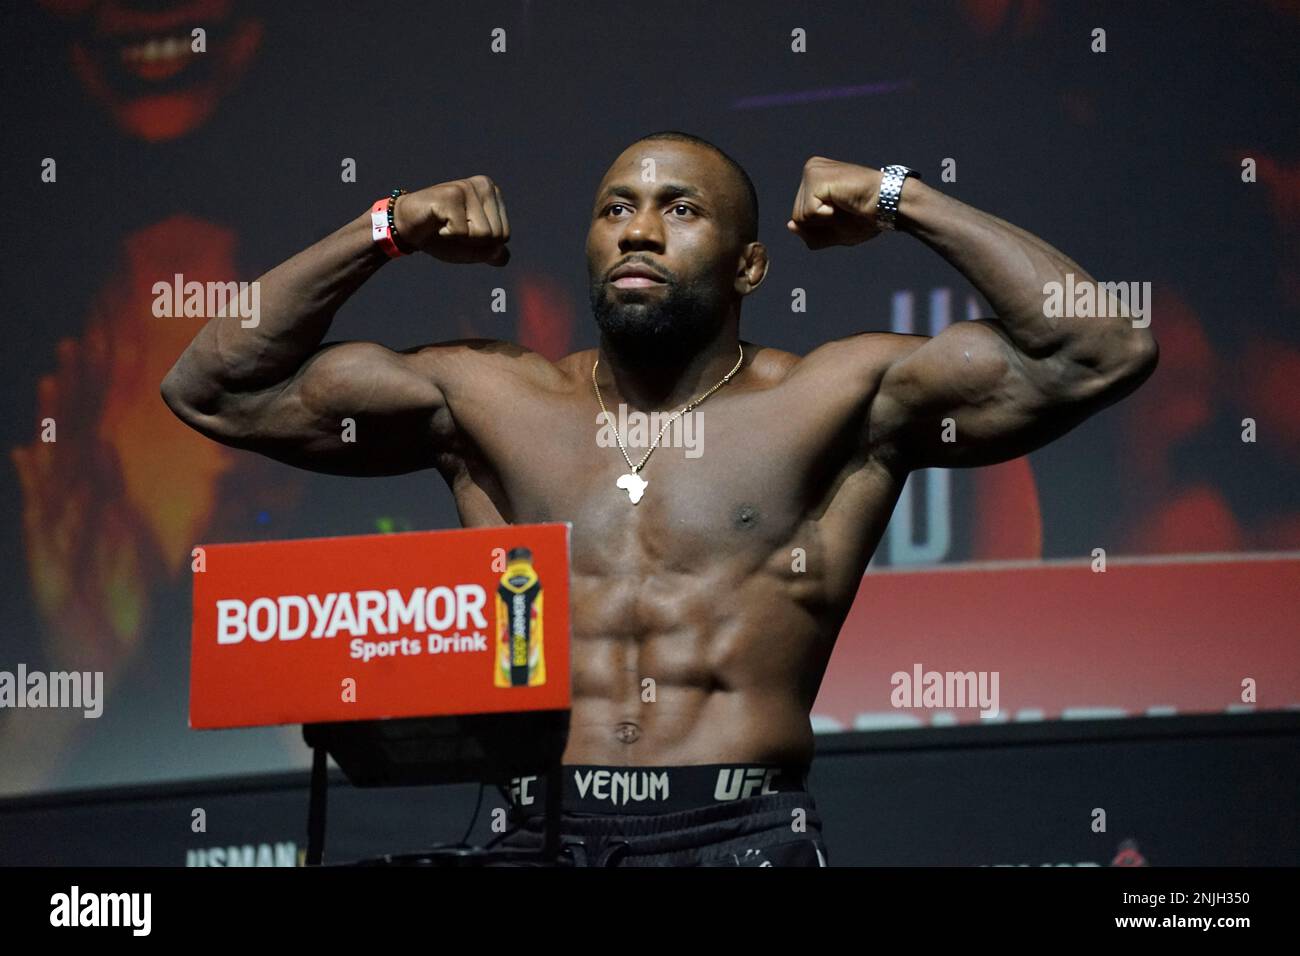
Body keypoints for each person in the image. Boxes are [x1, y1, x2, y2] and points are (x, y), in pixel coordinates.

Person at [162, 130, 1158, 866]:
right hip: (532, 826)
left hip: (736, 829)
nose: (639, 229)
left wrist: (901, 196)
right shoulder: (487, 398)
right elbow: (213, 386)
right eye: (614, 211)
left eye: (680, 209)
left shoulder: (835, 398)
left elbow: (1095, 349)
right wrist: (382, 229)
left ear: (749, 264)